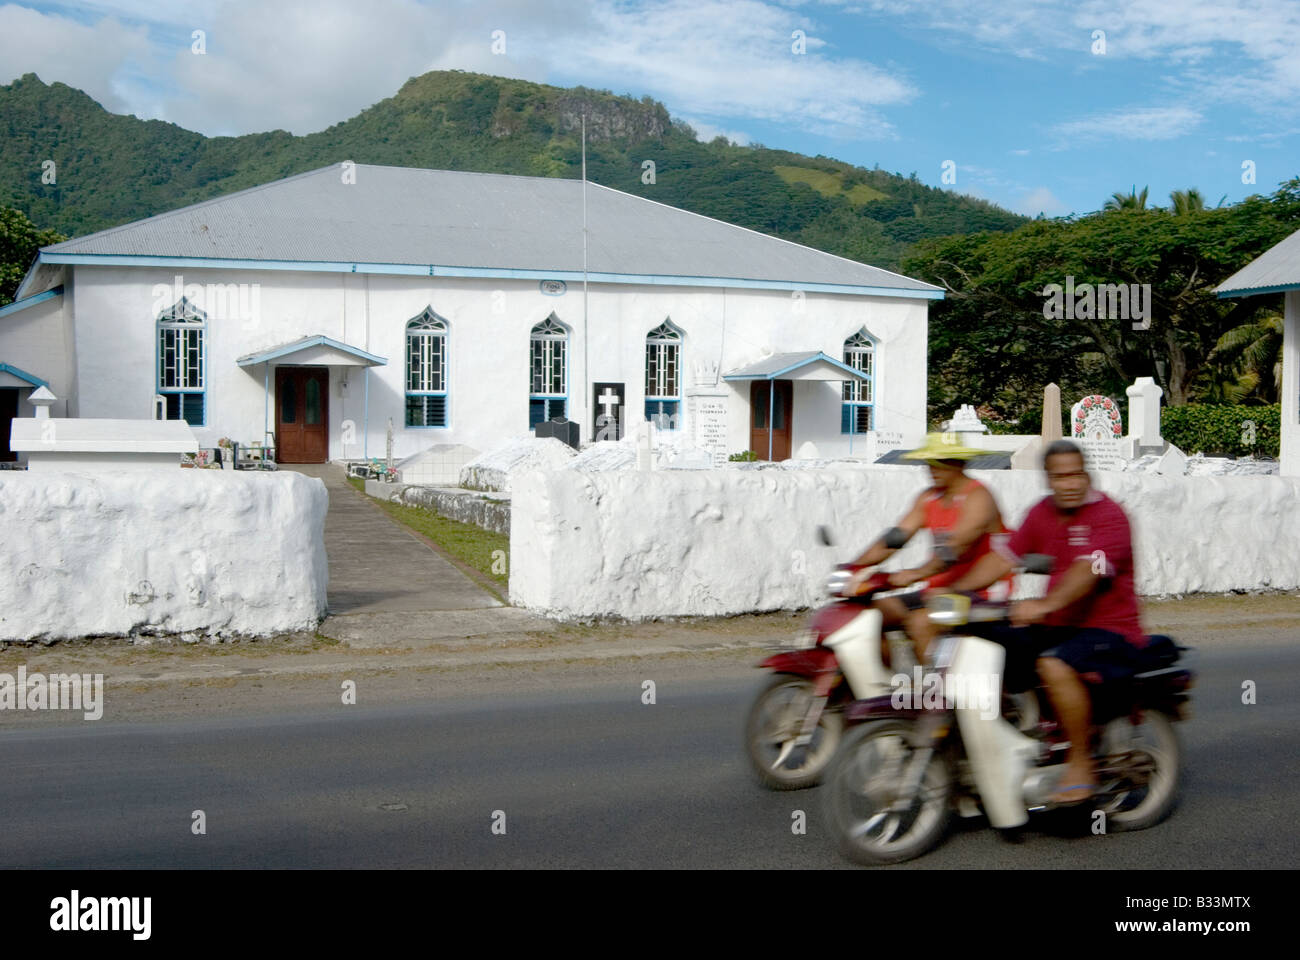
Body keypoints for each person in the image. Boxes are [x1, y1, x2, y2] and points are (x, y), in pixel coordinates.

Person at [949, 438, 1147, 805]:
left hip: (1108, 628)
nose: (1068, 484)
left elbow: (1088, 570)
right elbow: (1005, 558)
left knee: (1052, 663)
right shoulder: (1041, 512)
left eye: (1075, 476)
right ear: (1048, 479)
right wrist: (955, 593)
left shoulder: (1109, 516)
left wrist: (1046, 603)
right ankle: (1015, 735)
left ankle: (1080, 761)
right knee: (984, 640)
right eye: (1059, 477)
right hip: (1058, 624)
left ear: (1086, 475)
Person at [848, 433, 1012, 663]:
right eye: (930, 462)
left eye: (942, 463)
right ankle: (884, 686)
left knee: (920, 622)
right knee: (870, 615)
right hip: (941, 588)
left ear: (960, 464)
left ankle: (932, 689)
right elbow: (896, 538)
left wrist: (914, 574)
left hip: (983, 589)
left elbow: (957, 546)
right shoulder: (928, 498)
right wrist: (855, 567)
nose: (933, 469)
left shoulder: (978, 496)